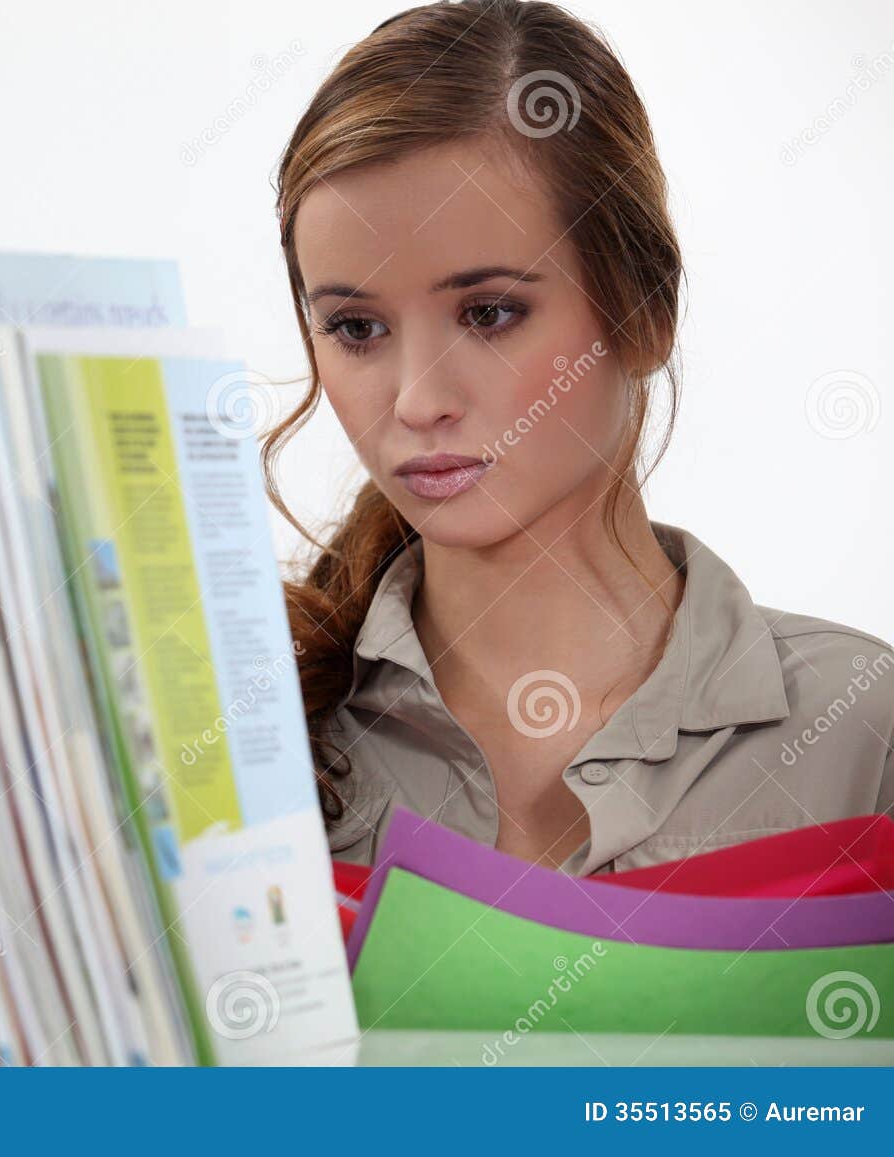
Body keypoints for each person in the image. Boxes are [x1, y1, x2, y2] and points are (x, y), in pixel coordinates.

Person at [265, 0, 894, 873]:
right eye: (357, 328)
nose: (417, 400)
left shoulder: (863, 733)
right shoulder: (245, 741)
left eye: (489, 313)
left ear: (646, 312)